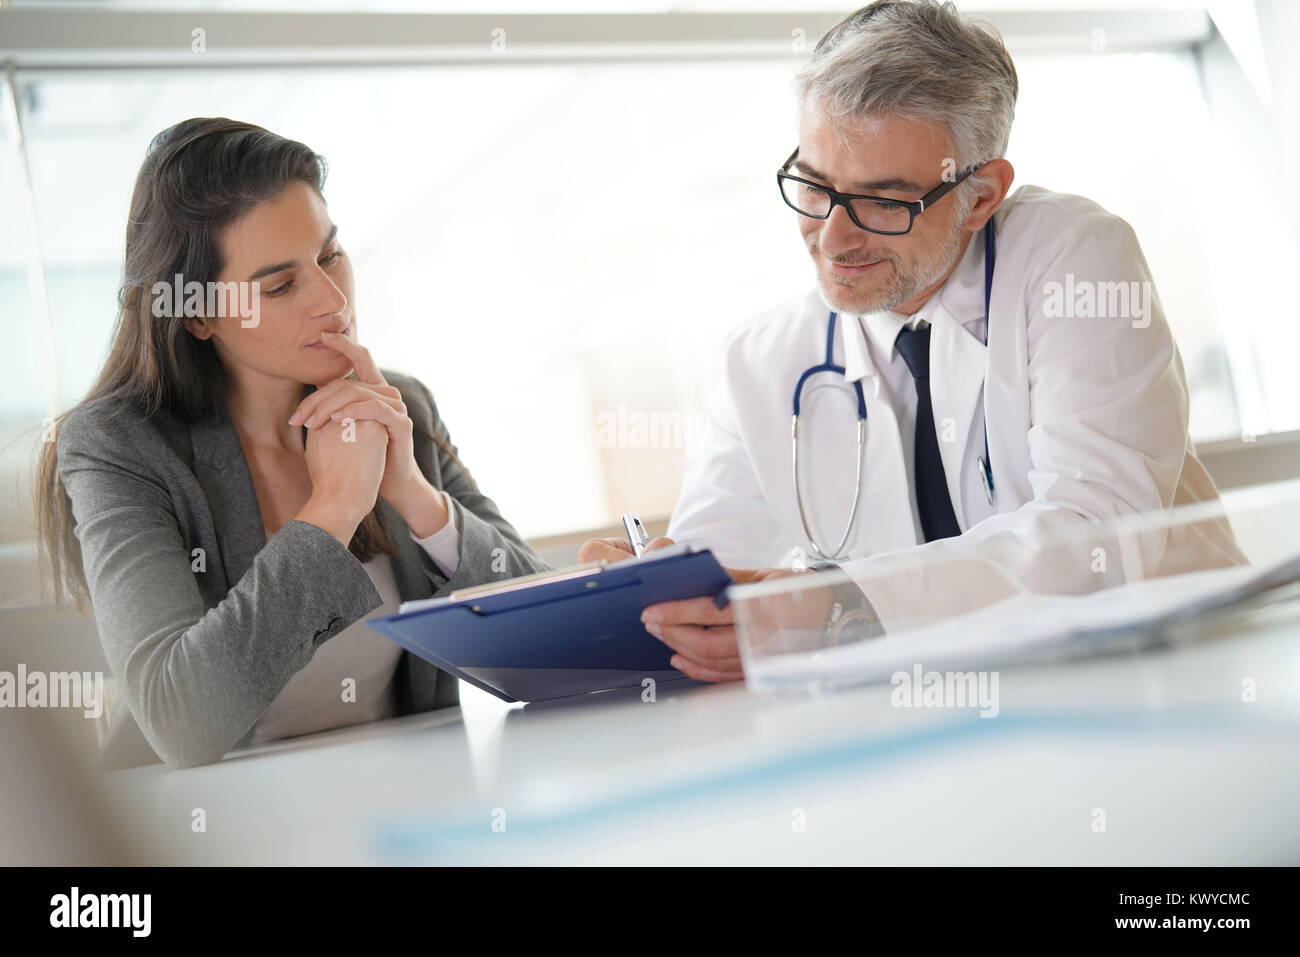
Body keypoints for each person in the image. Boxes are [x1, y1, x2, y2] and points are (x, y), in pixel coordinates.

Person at [580, 0, 1243, 683]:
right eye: (813, 185)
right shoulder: (762, 363)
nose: (831, 238)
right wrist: (652, 598)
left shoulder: (1074, 259)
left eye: (881, 201)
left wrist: (838, 602)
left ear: (981, 195)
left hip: (1170, 681)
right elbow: (713, 585)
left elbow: (1096, 534)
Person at [35, 118, 548, 769]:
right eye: (280, 286)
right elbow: (181, 721)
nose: (333, 300)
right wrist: (333, 506)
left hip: (402, 813)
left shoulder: (399, 404)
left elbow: (549, 645)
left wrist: (418, 499)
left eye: (330, 255)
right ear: (196, 313)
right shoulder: (119, 449)